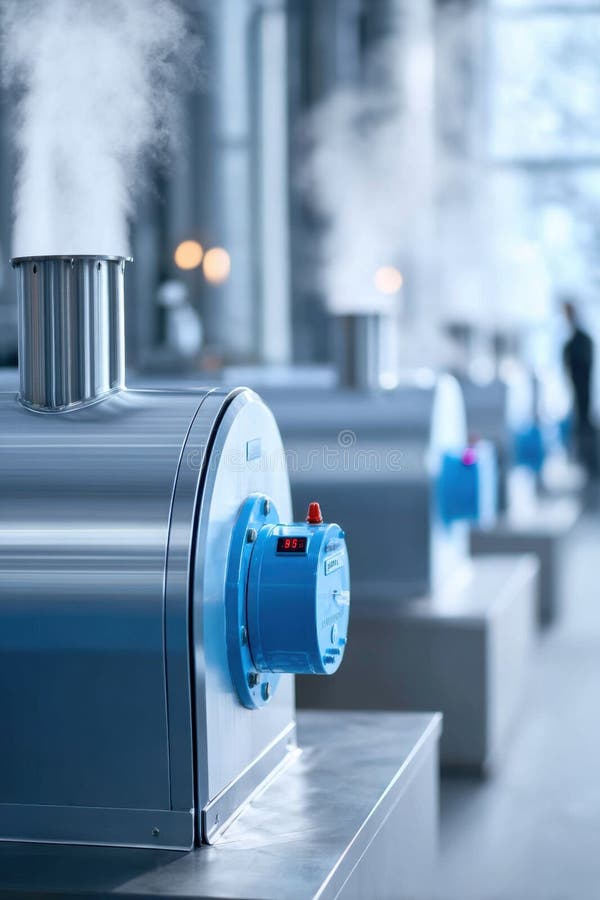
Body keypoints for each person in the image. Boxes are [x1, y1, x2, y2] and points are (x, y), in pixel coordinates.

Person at [562, 300, 597, 476]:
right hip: (580, 395)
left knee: (585, 423)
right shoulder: (575, 342)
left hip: (586, 396)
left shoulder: (582, 341)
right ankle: (587, 464)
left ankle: (590, 465)